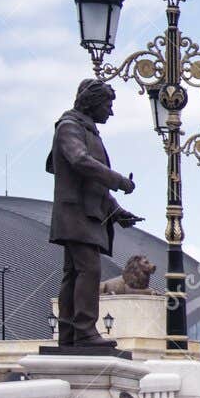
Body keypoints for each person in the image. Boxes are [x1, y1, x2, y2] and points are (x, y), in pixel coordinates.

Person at [47, 80, 140, 349]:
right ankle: (85, 332)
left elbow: (91, 183)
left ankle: (69, 335)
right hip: (76, 213)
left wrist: (116, 211)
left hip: (85, 213)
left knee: (74, 272)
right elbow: (80, 162)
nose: (110, 112)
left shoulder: (84, 129)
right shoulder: (69, 128)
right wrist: (119, 180)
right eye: (108, 105)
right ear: (92, 103)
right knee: (88, 270)